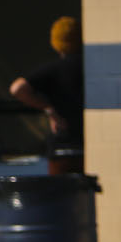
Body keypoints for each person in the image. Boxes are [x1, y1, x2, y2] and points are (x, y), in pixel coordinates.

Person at [9, 16, 85, 154]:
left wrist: (48, 108)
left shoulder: (54, 70)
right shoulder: (92, 68)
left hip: (65, 141)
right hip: (90, 138)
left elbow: (17, 89)